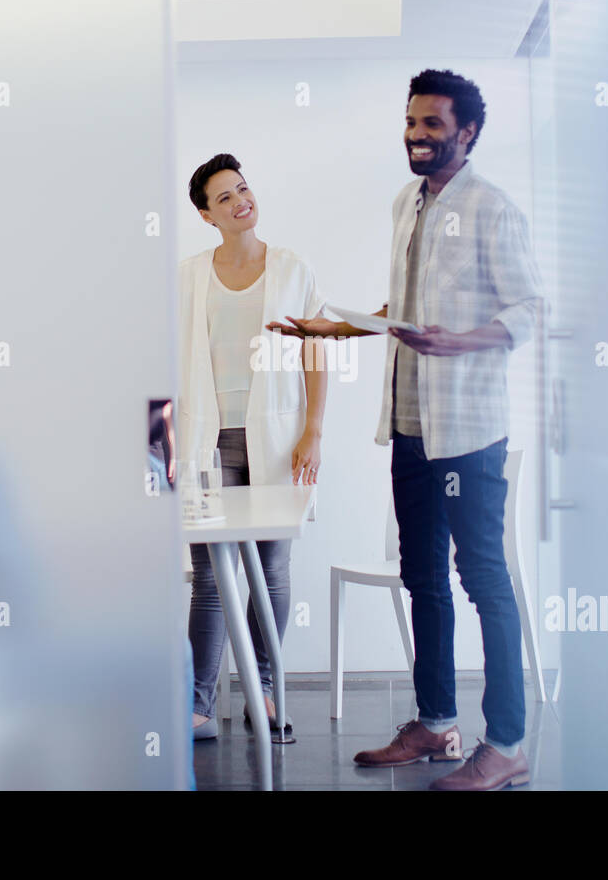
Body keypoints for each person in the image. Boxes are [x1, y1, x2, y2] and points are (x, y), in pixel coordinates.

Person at [268, 70, 544, 790]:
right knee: (422, 576)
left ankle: (506, 744)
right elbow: (407, 305)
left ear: (468, 133)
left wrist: (461, 342)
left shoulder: (493, 209)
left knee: (482, 580)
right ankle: (435, 722)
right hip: (413, 427)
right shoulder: (406, 203)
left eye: (432, 125)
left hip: (470, 433)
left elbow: (529, 310)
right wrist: (331, 329)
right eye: (411, 122)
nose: (416, 136)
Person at [179, 153, 328, 740]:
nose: (241, 201)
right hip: (208, 442)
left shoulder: (292, 269)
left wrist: (314, 430)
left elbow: (316, 351)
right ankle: (198, 703)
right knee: (212, 578)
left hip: (278, 438)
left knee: (271, 571)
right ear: (206, 215)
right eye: (224, 197)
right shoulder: (188, 276)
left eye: (242, 189)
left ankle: (262, 691)